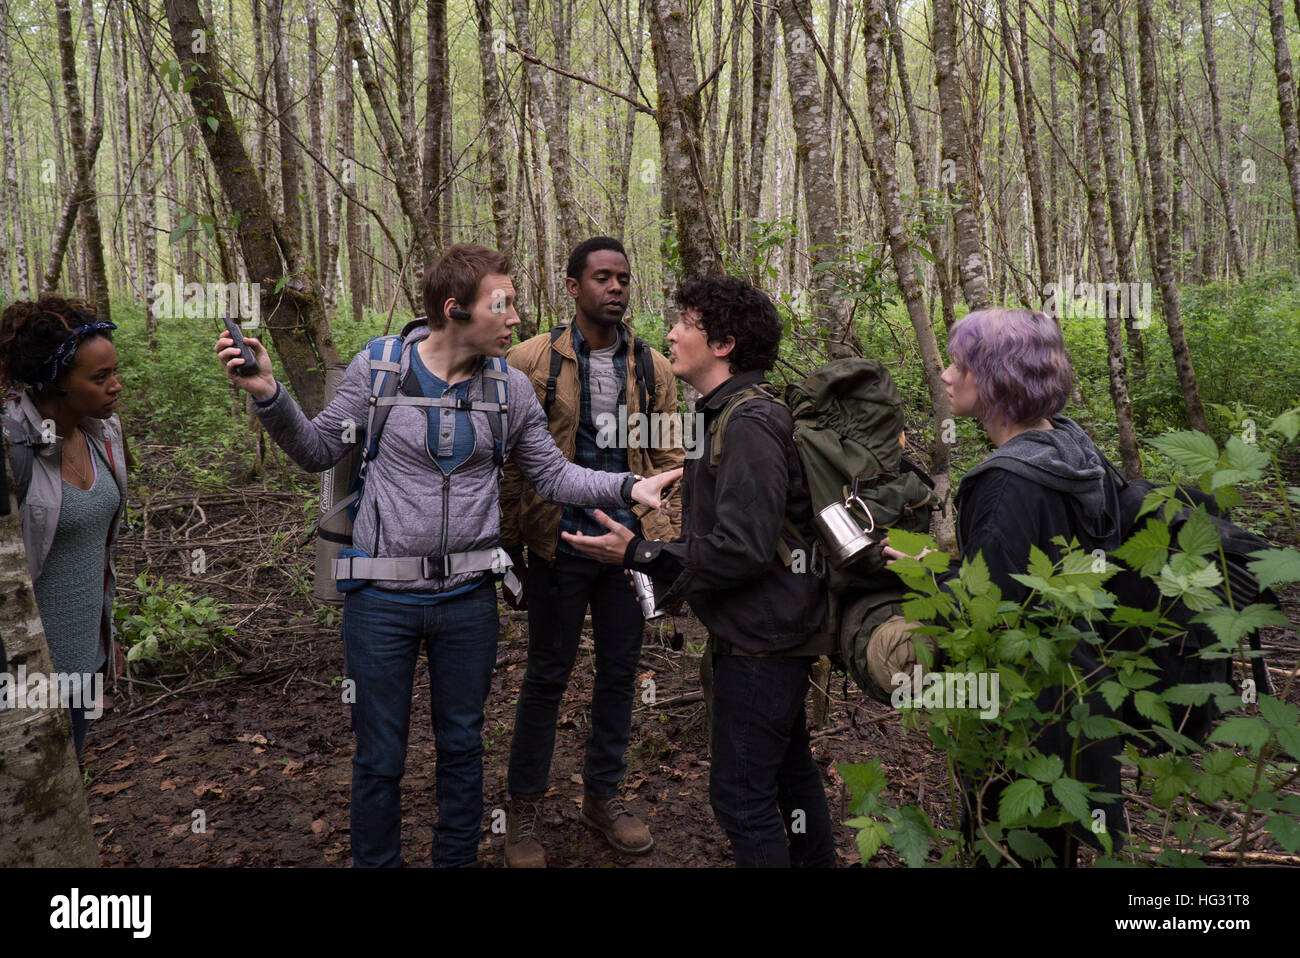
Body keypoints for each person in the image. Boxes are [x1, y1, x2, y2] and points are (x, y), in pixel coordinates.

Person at [215, 243, 678, 868]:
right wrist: (269, 393)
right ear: (456, 310)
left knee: (462, 748)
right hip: (380, 601)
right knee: (379, 757)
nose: (515, 317)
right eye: (503, 304)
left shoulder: (510, 387)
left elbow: (554, 475)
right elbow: (319, 449)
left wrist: (629, 486)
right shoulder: (380, 368)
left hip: (468, 601)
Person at [563, 275, 836, 868]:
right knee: (790, 778)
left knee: (741, 800)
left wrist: (637, 553)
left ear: (724, 344)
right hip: (764, 635)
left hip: (764, 643)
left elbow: (743, 548)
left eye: (685, 323)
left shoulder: (750, 423)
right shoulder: (723, 415)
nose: (670, 333)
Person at [883, 307, 1128, 865]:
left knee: (1008, 845)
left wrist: (927, 575)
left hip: (1019, 713)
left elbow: (989, 615)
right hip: (1080, 689)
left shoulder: (1006, 481)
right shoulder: (1074, 450)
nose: (945, 375)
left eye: (959, 364)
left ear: (996, 378)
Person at [498, 236, 684, 867]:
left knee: (620, 673)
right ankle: (522, 810)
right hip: (556, 543)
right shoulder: (529, 361)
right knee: (546, 675)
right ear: (573, 287)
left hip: (625, 549)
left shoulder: (653, 367)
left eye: (624, 279)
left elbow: (669, 460)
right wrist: (508, 550)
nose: (616, 288)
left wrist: (653, 548)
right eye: (602, 278)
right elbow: (510, 465)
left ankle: (602, 798)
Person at [1, 296, 126, 764]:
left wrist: (104, 635)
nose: (116, 386)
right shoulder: (12, 451)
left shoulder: (102, 434)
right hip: (24, 676)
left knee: (68, 781)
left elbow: (97, 550)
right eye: (99, 378)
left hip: (84, 662)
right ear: (55, 381)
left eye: (114, 371)